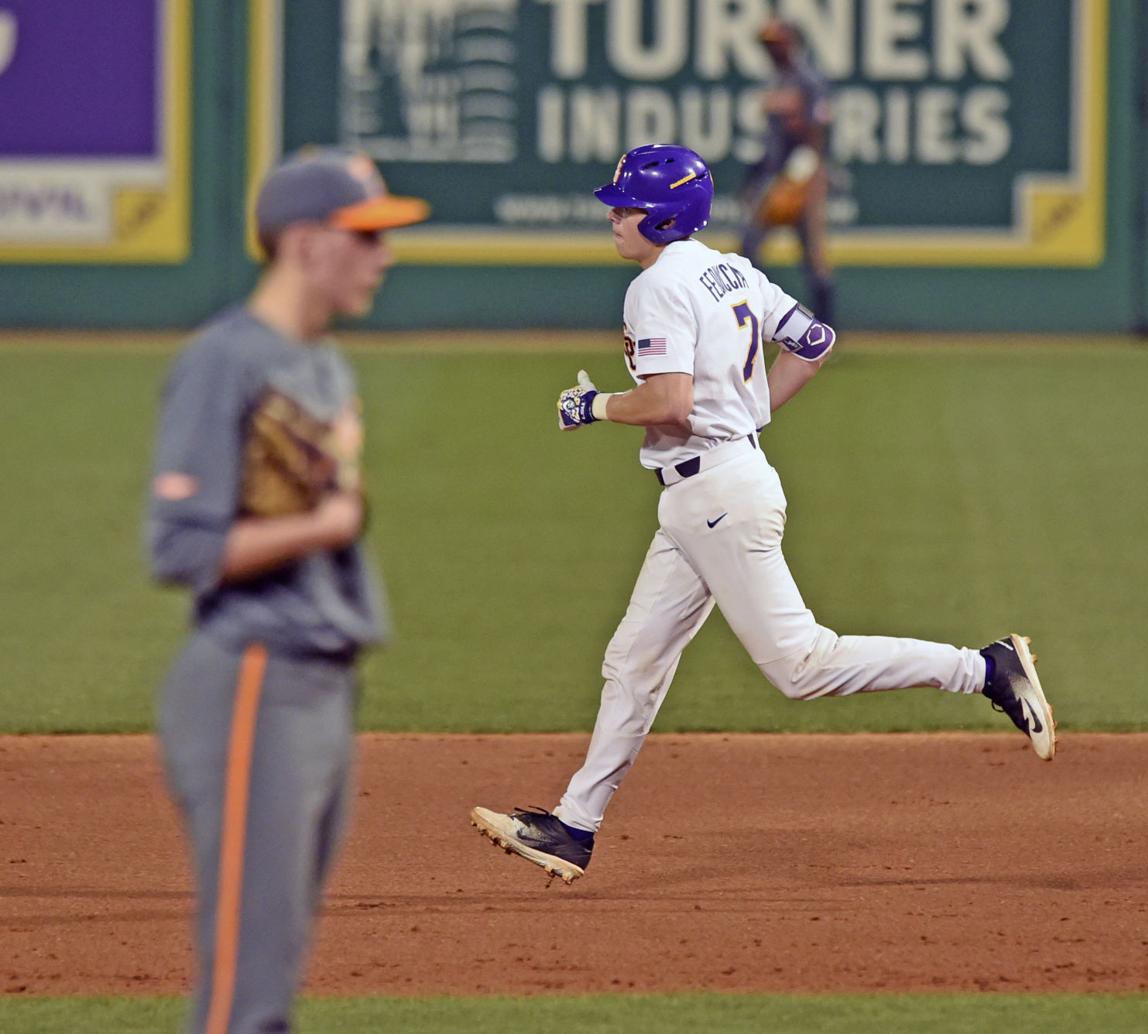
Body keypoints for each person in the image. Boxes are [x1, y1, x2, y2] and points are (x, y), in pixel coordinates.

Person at [470, 143, 1055, 884]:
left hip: (718, 497)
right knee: (634, 660)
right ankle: (573, 828)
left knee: (802, 665)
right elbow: (813, 343)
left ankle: (983, 668)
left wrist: (593, 405)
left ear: (662, 217)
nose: (613, 217)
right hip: (713, 490)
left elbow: (669, 402)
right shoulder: (731, 269)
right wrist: (746, 421)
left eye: (626, 207)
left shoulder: (656, 286)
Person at [145, 147, 428, 1033]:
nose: (383, 257)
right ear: (306, 244)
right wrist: (324, 525)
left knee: (277, 970)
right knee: (249, 992)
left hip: (325, 681)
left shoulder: (327, 366)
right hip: (253, 676)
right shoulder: (223, 360)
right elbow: (179, 544)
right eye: (365, 237)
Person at [740, 17, 836, 323]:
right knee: (749, 246)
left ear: (791, 43)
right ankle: (754, 319)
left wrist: (802, 173)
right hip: (772, 174)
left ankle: (825, 327)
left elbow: (818, 128)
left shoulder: (807, 79)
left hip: (803, 175)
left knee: (813, 252)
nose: (771, 50)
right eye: (767, 45)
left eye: (776, 44)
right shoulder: (777, 79)